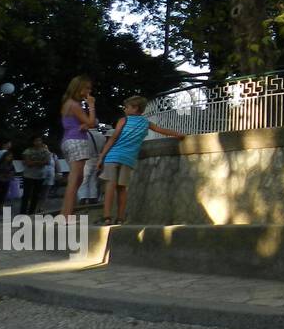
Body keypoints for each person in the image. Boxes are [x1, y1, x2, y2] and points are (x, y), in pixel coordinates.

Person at [95, 95, 185, 225]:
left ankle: (107, 217)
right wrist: (178, 134)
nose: (125, 109)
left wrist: (101, 157)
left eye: (127, 107)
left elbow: (113, 138)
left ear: (135, 108)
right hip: (128, 159)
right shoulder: (146, 123)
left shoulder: (124, 120)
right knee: (122, 188)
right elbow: (162, 130)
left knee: (110, 186)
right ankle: (120, 218)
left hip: (113, 156)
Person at [59, 75, 98, 217]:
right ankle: (66, 216)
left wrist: (86, 124)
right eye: (87, 88)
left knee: (78, 178)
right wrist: (91, 105)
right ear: (78, 87)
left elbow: (87, 123)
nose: (89, 91)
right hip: (77, 140)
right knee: (75, 179)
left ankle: (65, 213)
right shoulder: (74, 105)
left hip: (69, 140)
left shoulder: (68, 103)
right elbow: (92, 122)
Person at [20, 133, 51, 216]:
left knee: (36, 195)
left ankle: (31, 211)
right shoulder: (28, 151)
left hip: (40, 176)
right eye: (36, 140)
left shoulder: (45, 151)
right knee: (26, 194)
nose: (38, 142)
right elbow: (28, 163)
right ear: (33, 142)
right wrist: (40, 162)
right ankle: (22, 212)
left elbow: (47, 161)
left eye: (40, 140)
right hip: (28, 175)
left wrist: (34, 162)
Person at [0, 137, 16, 211]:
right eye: (9, 143)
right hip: (0, 178)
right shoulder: (4, 152)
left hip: (3, 178)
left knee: (0, 195)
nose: (10, 145)